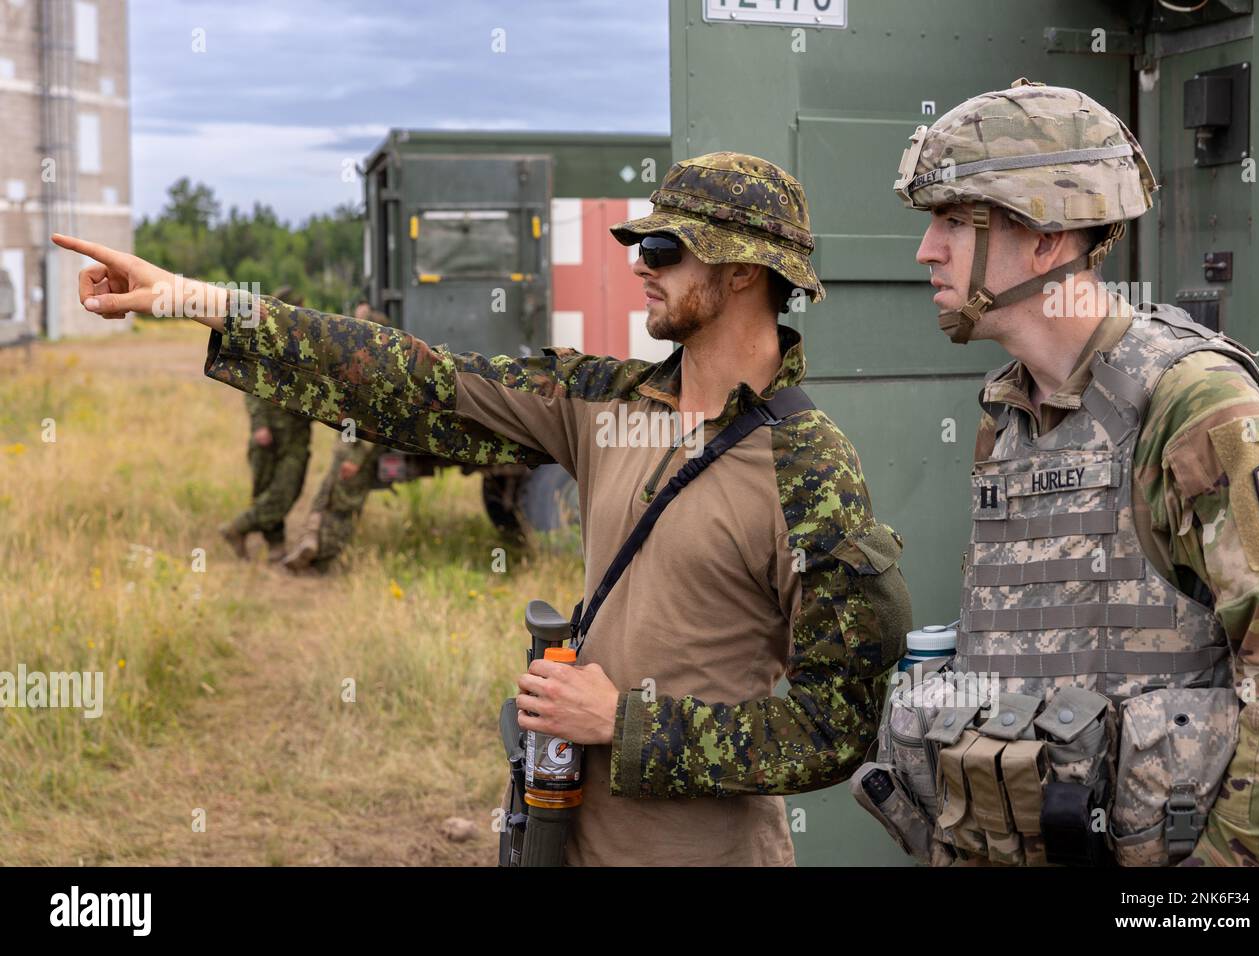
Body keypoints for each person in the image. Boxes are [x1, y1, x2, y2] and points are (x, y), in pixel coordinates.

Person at [54, 150, 913, 866]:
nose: (639, 264)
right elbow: (419, 381)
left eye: (663, 247)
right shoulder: (604, 403)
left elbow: (835, 724)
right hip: (558, 834)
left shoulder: (810, 466)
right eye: (640, 244)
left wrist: (622, 721)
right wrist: (198, 300)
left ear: (739, 272)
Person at [887, 78, 1259, 866]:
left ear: (1046, 239)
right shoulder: (1006, 415)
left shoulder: (1192, 404)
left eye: (952, 221)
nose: (926, 250)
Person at [281, 298, 391, 574]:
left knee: (333, 499)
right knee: (337, 502)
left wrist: (355, 455)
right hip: (349, 449)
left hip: (352, 449)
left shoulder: (367, 370)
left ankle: (316, 550)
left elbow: (370, 421)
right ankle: (317, 554)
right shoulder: (370, 370)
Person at [218, 285, 312, 562]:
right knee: (267, 489)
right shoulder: (259, 343)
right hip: (269, 432)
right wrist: (259, 425)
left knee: (287, 490)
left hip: (296, 433)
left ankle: (239, 528)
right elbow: (250, 388)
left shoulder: (301, 345)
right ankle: (274, 546)